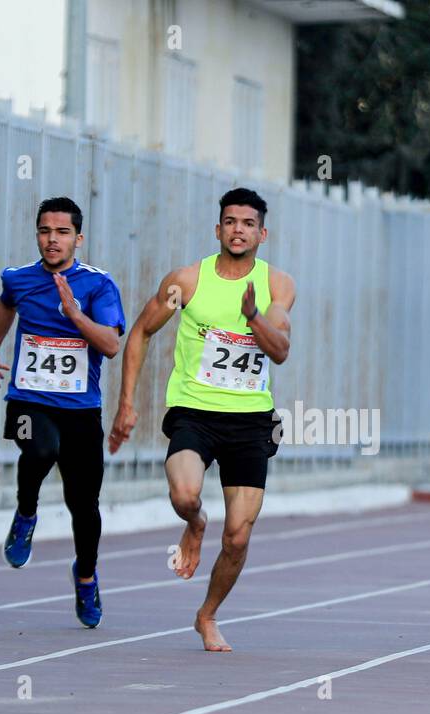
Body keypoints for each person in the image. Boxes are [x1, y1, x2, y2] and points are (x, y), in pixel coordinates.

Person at [109, 188, 294, 652]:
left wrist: (253, 315)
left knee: (238, 535)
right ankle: (193, 523)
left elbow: (281, 350)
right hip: (195, 412)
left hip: (251, 420)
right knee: (185, 492)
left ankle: (207, 615)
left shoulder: (278, 285)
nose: (238, 230)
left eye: (248, 223)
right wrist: (126, 402)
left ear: (262, 233)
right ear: (218, 229)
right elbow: (141, 332)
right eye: (230, 222)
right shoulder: (186, 282)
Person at [0, 196, 125, 629]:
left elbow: (111, 345)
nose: (52, 239)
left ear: (78, 238)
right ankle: (26, 513)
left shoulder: (98, 285)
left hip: (81, 408)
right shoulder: (18, 278)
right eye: (45, 230)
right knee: (39, 450)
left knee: (84, 504)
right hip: (29, 399)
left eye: (62, 232)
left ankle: (85, 577)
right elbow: (6, 304)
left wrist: (75, 314)